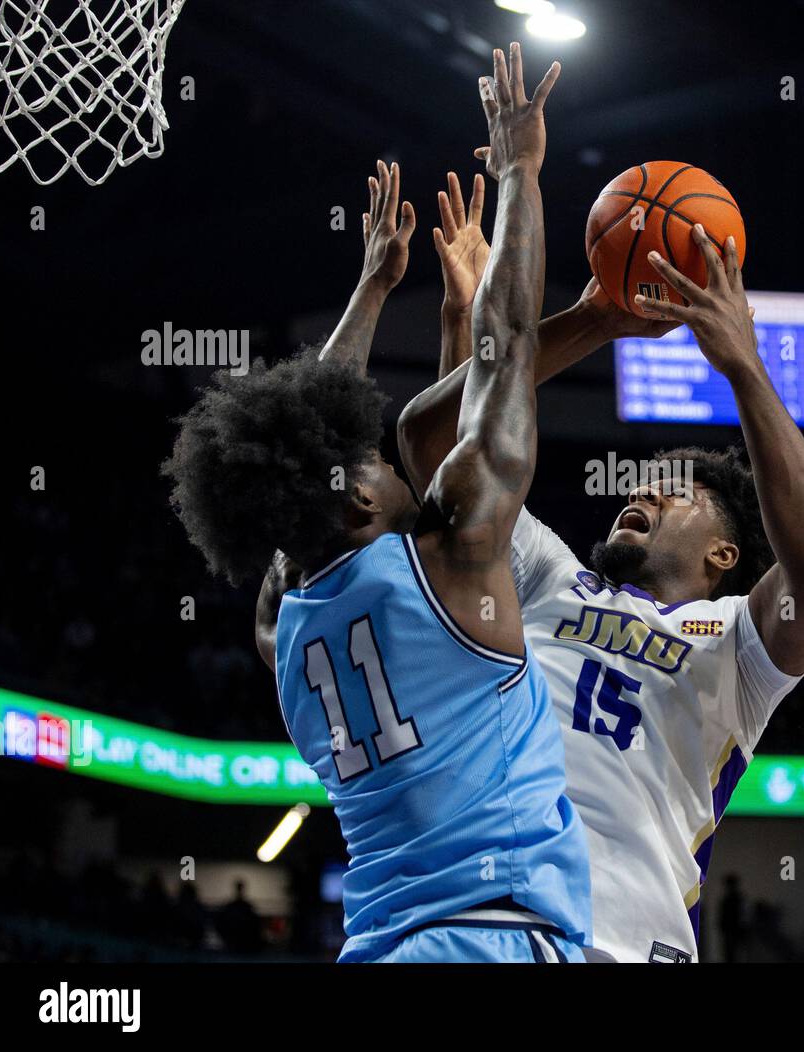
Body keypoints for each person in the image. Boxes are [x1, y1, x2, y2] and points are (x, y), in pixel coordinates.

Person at [166, 44, 590, 963]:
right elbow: (507, 345)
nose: (402, 455)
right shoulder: (452, 557)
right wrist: (522, 171)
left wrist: (373, 287)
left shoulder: (284, 624)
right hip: (490, 940)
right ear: (359, 494)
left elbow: (299, 442)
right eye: (380, 455)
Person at [396, 179, 804, 961]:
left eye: (677, 491)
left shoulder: (738, 646)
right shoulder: (545, 575)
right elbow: (443, 460)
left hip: (626, 943)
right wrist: (586, 321)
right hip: (481, 921)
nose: (643, 489)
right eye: (644, 482)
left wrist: (743, 366)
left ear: (725, 555)